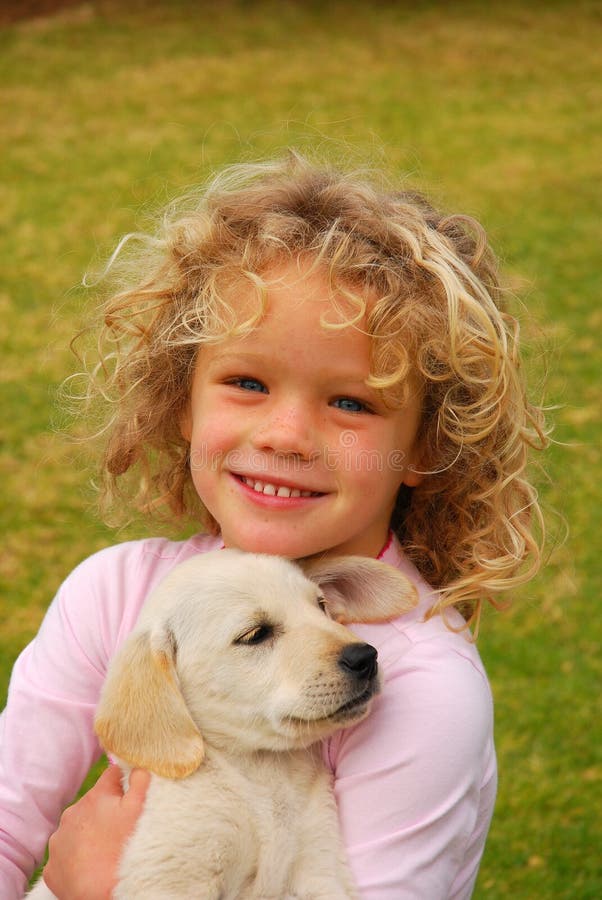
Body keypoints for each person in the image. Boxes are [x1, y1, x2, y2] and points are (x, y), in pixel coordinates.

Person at [0, 152, 548, 899]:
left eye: (351, 402)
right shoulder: (114, 593)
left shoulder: (420, 686)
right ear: (182, 400)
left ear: (426, 446)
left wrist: (97, 889)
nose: (287, 435)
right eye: (247, 383)